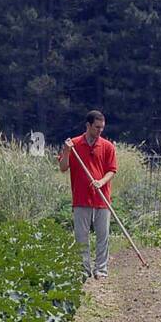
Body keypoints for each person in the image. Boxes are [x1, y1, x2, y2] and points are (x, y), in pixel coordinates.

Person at [58, 110, 118, 279]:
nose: (100, 131)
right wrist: (67, 151)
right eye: (97, 127)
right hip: (81, 198)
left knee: (102, 237)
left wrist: (101, 181)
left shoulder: (107, 146)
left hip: (102, 198)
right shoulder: (74, 144)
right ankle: (83, 270)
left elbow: (112, 170)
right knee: (81, 237)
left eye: (102, 127)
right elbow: (63, 168)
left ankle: (101, 270)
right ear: (88, 125)